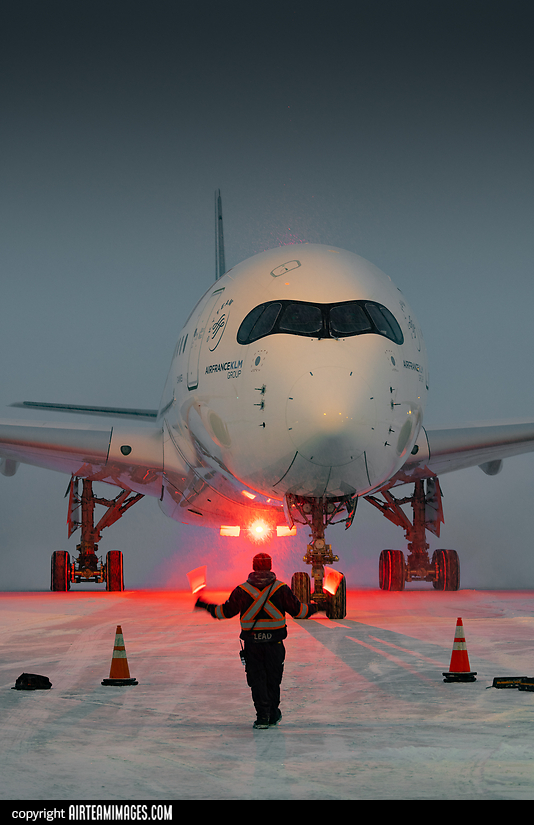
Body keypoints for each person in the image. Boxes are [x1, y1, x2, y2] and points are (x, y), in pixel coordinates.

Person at [195, 552, 320, 729]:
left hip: (252, 645)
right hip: (275, 645)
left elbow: (224, 612)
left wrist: (204, 605)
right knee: (273, 680)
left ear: (253, 567)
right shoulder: (281, 589)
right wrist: (319, 606)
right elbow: (300, 612)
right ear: (270, 566)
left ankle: (262, 717)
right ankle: (273, 714)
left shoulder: (242, 590)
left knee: (257, 680)